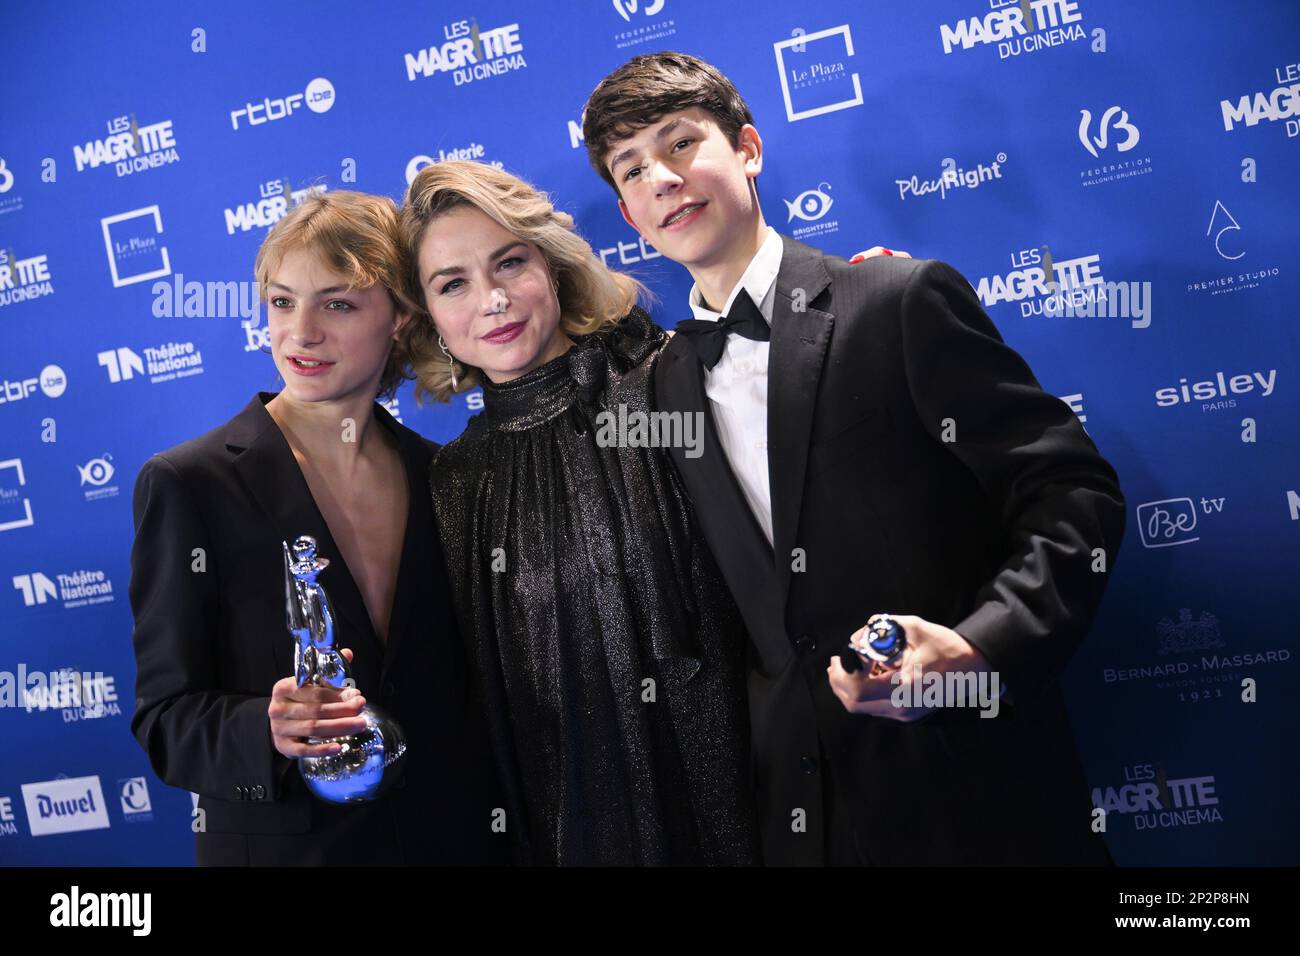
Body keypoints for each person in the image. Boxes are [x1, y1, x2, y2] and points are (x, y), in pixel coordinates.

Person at [582, 51, 1127, 866]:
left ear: (750, 149)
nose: (661, 177)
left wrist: (981, 647)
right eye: (632, 168)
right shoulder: (658, 390)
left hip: (972, 791)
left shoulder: (897, 302)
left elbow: (1072, 493)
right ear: (628, 215)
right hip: (801, 822)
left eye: (681, 143)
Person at [397, 160, 759, 865]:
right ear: (432, 321)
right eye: (453, 284)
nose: (493, 300)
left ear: (553, 266)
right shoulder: (456, 483)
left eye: (510, 263)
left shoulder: (664, 386)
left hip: (749, 805)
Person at [129, 190, 503, 865]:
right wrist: (264, 728)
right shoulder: (191, 484)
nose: (300, 332)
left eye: (338, 303)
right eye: (281, 301)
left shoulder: (445, 476)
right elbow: (165, 718)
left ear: (400, 317)